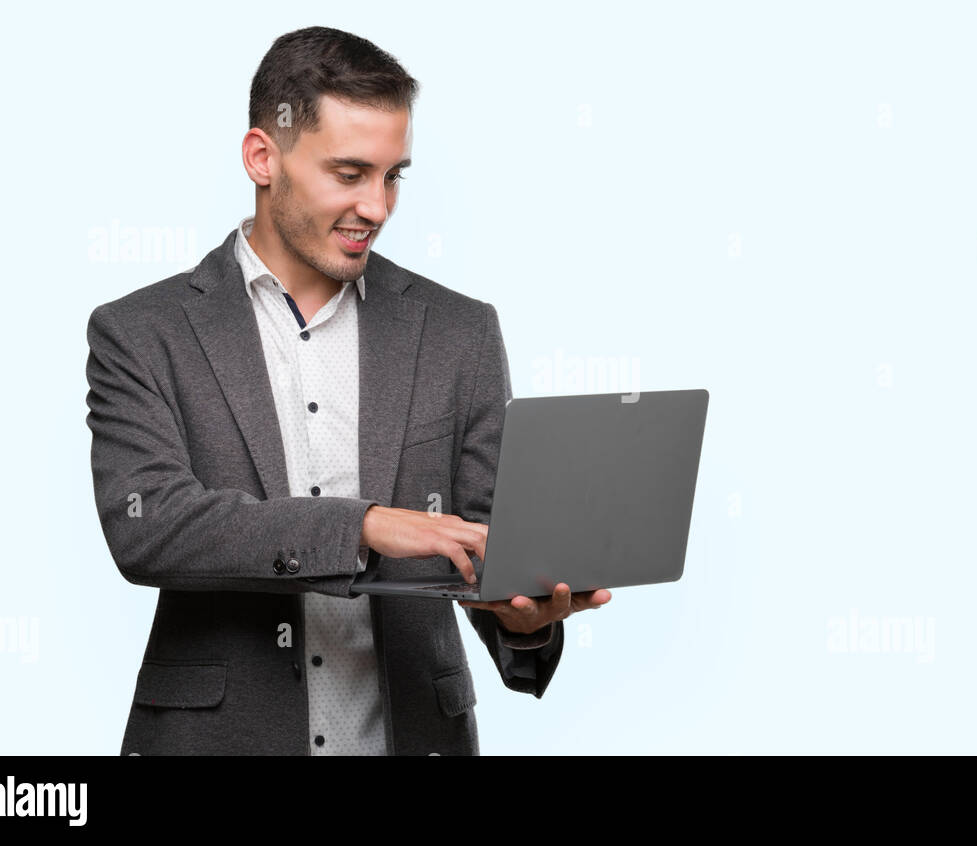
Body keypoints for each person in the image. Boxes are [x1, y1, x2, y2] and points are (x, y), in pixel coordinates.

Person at [84, 25, 610, 756]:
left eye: (394, 176)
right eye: (351, 173)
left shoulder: (461, 332)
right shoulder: (142, 332)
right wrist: (362, 525)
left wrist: (525, 619)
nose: (379, 206)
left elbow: (485, 549)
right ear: (263, 158)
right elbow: (152, 528)